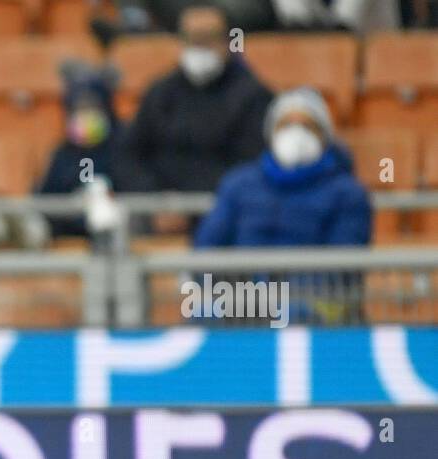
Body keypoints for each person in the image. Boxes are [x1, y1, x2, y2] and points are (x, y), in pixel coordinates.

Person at [193, 87, 372, 322]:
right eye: (285, 125)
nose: (295, 133)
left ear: (324, 136)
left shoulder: (347, 193)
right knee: (203, 315)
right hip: (242, 299)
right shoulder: (238, 184)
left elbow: (343, 266)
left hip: (311, 302)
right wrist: (247, 296)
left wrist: (277, 299)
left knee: (296, 315)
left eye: (307, 126)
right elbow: (207, 249)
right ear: (271, 133)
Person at [121, 4, 272, 233]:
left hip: (222, 208)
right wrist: (156, 200)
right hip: (157, 209)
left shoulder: (253, 96)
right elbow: (129, 155)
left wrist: (189, 209)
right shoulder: (160, 92)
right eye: (191, 38)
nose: (199, 46)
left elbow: (250, 165)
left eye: (208, 37)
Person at [36, 63, 131, 238]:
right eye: (80, 110)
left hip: (118, 234)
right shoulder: (63, 155)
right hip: (68, 234)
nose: (86, 116)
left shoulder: (125, 147)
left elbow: (136, 190)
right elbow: (44, 199)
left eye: (92, 109)